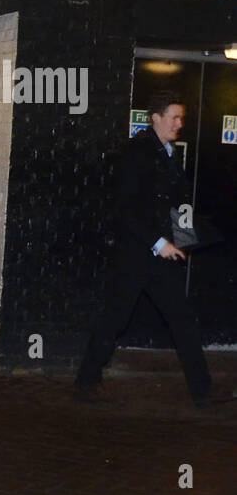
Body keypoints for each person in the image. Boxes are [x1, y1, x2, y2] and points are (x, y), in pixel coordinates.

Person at [74, 91, 215, 408]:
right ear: (156, 117)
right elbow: (125, 209)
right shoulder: (137, 152)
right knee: (115, 319)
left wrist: (185, 238)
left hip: (161, 257)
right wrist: (160, 242)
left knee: (181, 319)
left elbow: (175, 202)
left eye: (181, 118)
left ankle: (204, 391)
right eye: (174, 117)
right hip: (137, 255)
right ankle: (85, 382)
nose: (180, 124)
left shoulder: (167, 152)